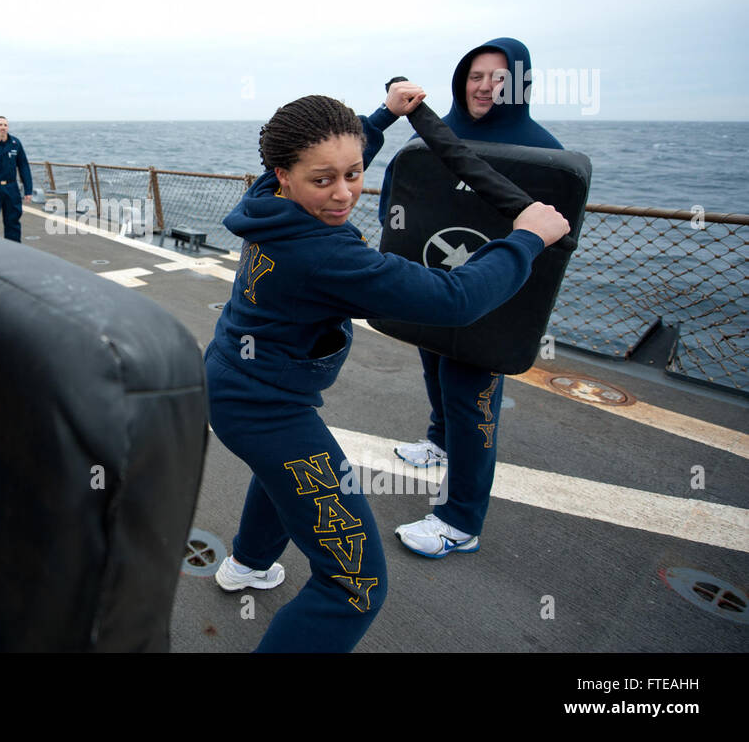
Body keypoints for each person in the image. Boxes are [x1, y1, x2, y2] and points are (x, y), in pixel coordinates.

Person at [205, 94, 569, 652]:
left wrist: (382, 116)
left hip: (232, 378)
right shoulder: (328, 256)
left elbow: (332, 159)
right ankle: (256, 566)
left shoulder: (266, 198)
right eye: (324, 180)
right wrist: (526, 238)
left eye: (354, 173)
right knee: (354, 584)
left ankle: (249, 565)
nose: (345, 192)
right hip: (266, 408)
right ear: (285, 174)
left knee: (283, 474)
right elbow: (455, 299)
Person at [380, 38, 565, 559]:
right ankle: (438, 441)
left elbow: (551, 233)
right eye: (476, 75)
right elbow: (400, 198)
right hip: (434, 284)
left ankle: (461, 521)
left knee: (473, 401)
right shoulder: (440, 136)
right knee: (434, 365)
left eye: (500, 78)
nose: (485, 87)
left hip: (492, 300)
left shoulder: (543, 150)